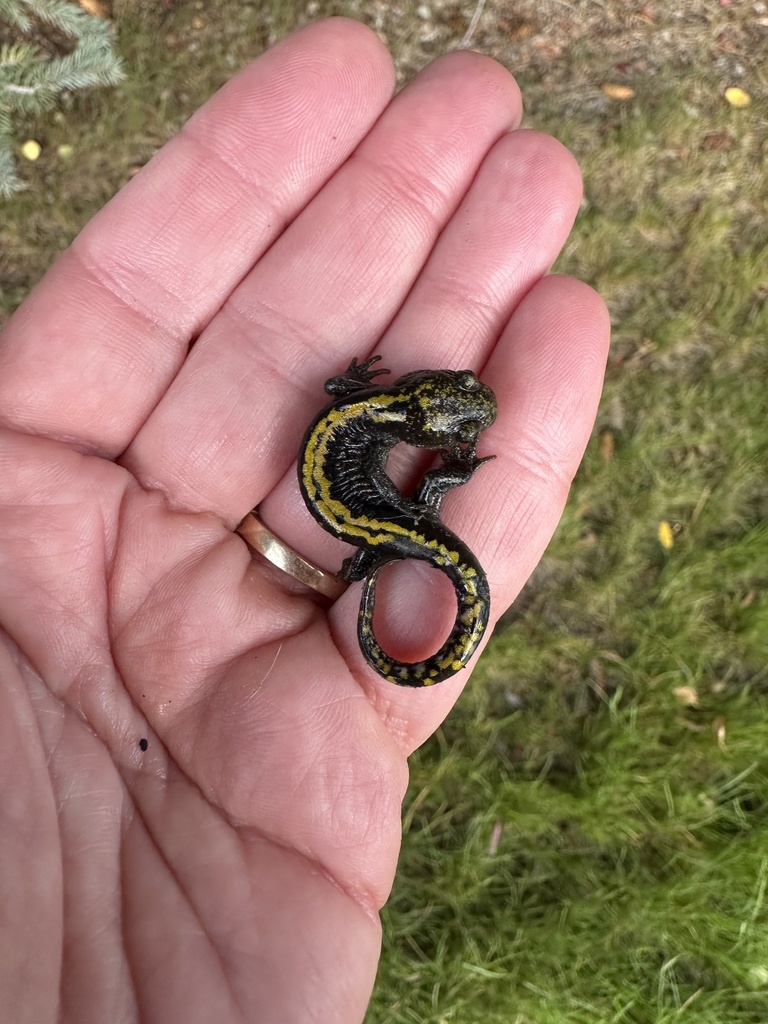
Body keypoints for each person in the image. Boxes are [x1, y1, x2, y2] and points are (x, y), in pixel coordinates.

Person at [0, 17, 609, 1024]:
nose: (448, 408)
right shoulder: (369, 428)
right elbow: (349, 412)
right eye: (452, 408)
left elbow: (340, 389)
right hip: (377, 530)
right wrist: (422, 511)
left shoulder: (363, 412)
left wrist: (419, 509)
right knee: (412, 536)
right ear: (425, 405)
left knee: (412, 533)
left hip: (379, 527)